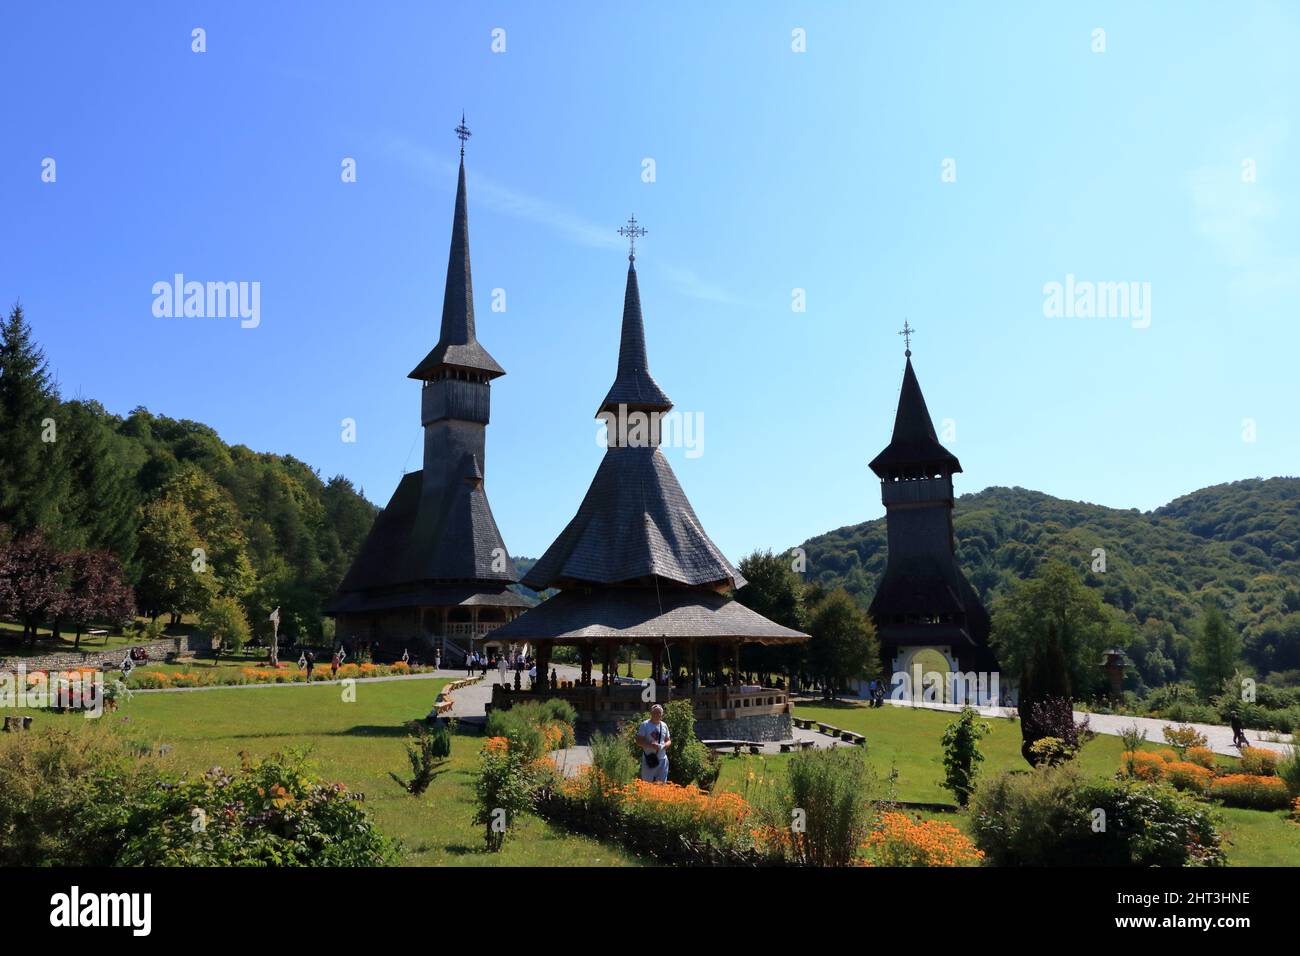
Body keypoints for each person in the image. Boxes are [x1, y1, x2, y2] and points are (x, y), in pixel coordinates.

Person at [636, 704, 672, 783]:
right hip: (649, 758)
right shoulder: (645, 725)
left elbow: (668, 740)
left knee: (661, 785)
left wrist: (663, 746)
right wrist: (650, 745)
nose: (657, 714)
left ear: (662, 714)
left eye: (659, 713)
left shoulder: (664, 725)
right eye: (655, 712)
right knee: (646, 784)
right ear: (651, 713)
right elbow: (638, 741)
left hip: (662, 759)